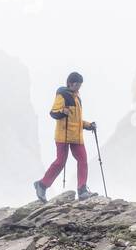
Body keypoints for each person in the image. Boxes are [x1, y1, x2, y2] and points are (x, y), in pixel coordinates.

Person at [33, 71, 97, 202]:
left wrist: (88, 125)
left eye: (80, 85)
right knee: (60, 162)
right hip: (63, 136)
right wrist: (62, 111)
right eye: (77, 85)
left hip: (76, 137)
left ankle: (82, 190)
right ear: (70, 83)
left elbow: (77, 120)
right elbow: (53, 113)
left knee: (83, 160)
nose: (79, 87)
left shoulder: (77, 97)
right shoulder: (62, 95)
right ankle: (42, 184)